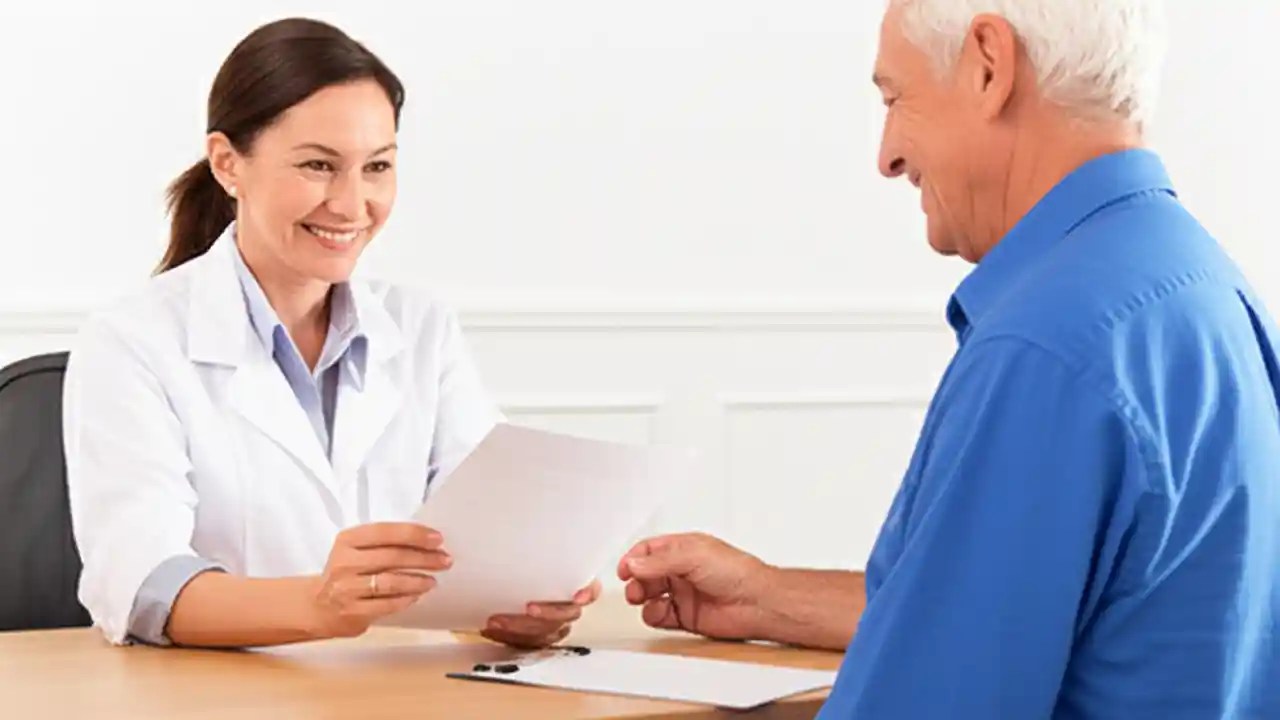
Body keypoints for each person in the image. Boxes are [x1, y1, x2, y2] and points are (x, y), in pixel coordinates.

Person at [618, 1, 1280, 717]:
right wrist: (767, 595)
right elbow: (1075, 615)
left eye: (895, 97)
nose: (887, 155)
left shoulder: (1046, 350)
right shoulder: (1203, 288)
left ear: (990, 65)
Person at [63, 17, 597, 650]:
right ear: (228, 164)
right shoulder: (131, 341)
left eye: (377, 167)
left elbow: (486, 534)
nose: (351, 204)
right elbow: (142, 584)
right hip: (223, 697)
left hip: (401, 692)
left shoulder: (420, 327)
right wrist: (320, 604)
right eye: (318, 165)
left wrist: (519, 601)